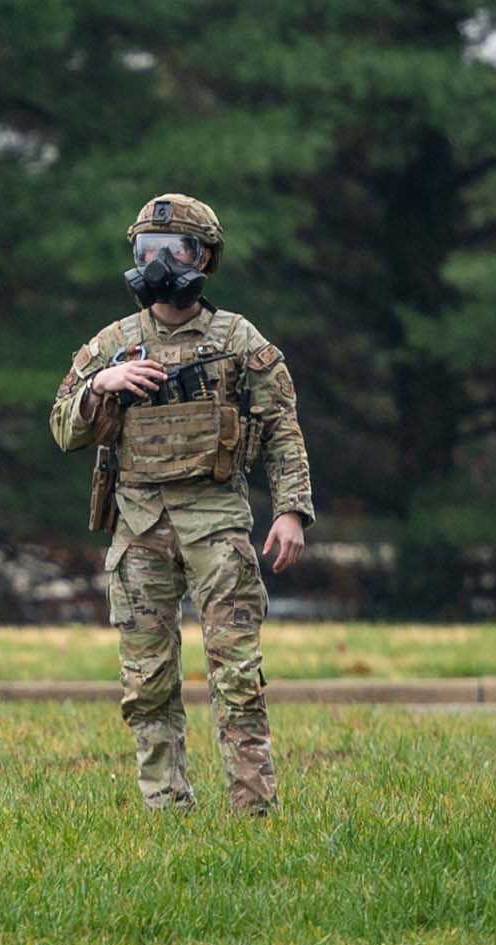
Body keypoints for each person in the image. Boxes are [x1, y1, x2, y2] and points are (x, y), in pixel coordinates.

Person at [47, 194, 315, 814]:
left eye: (175, 250)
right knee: (147, 680)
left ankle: (255, 810)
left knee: (237, 675)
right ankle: (166, 806)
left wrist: (291, 510)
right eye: (147, 250)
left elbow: (282, 427)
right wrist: (101, 385)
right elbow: (62, 426)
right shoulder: (113, 344)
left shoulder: (237, 339)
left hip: (217, 521)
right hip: (138, 524)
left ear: (205, 258)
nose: (159, 263)